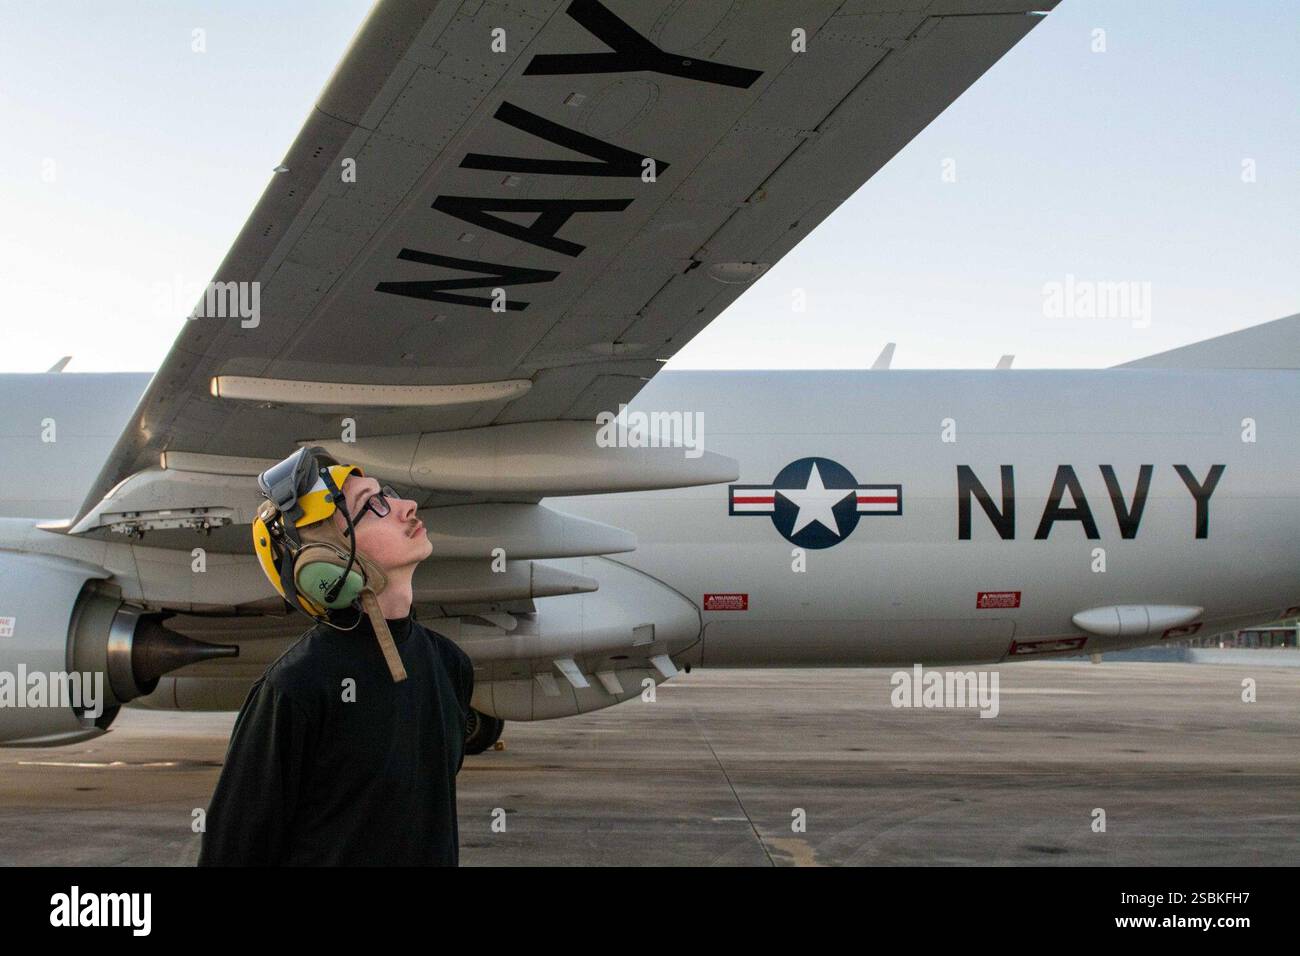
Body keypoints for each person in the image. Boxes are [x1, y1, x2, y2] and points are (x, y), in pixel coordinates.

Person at [197, 447, 474, 866]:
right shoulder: (295, 688)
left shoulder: (450, 664)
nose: (406, 506)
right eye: (373, 505)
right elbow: (232, 854)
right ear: (324, 563)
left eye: (388, 494)